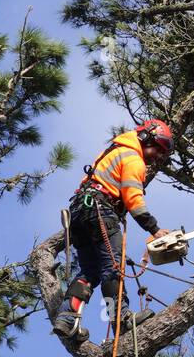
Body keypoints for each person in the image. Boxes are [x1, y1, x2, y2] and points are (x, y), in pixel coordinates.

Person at [53, 119, 173, 340]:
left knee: (90, 271)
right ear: (147, 137)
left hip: (80, 213)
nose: (157, 156)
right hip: (100, 211)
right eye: (158, 148)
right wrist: (154, 229)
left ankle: (67, 317)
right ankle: (121, 318)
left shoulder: (113, 151)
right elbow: (134, 200)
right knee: (112, 266)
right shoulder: (133, 159)